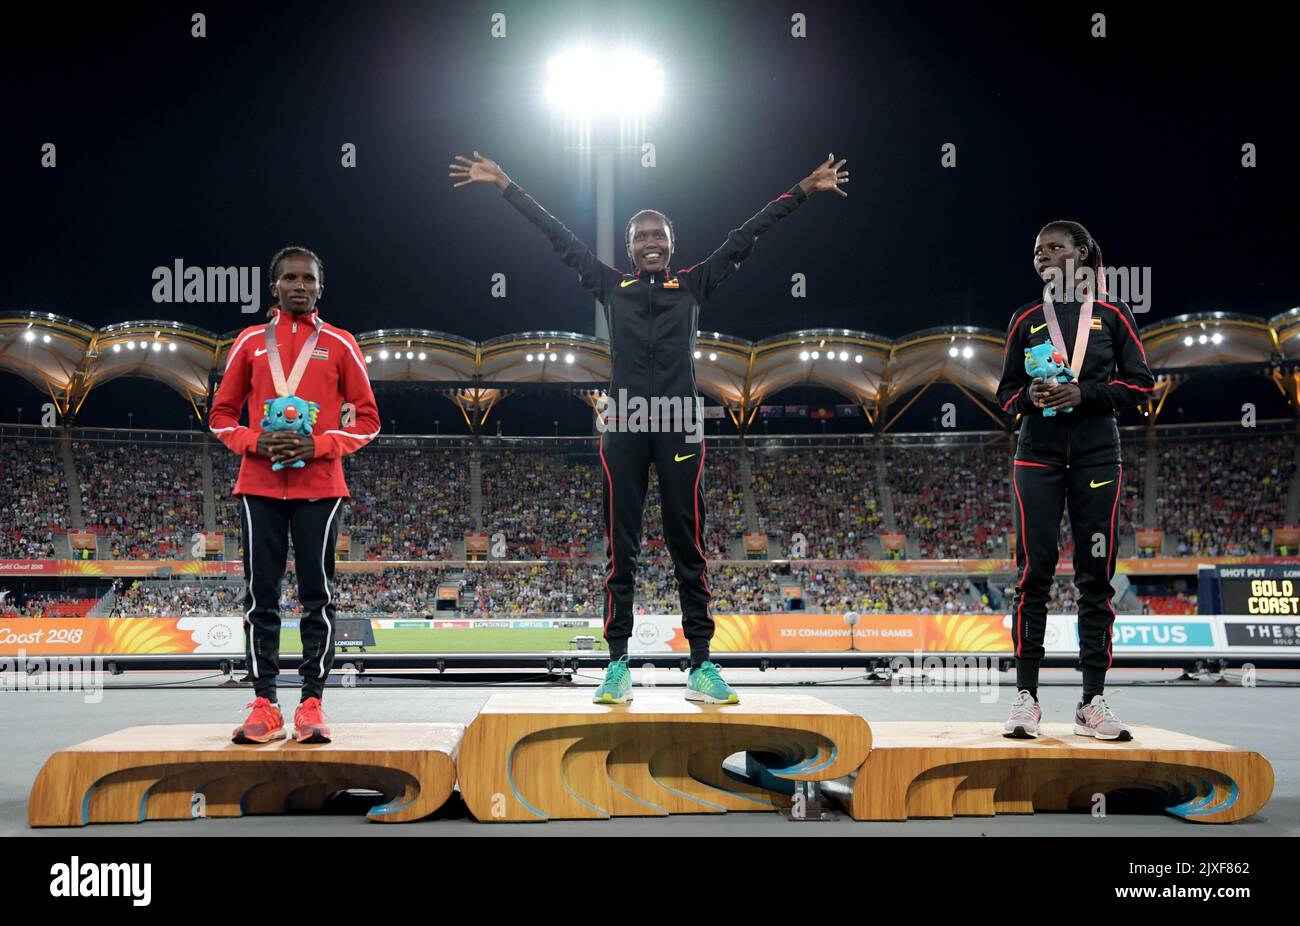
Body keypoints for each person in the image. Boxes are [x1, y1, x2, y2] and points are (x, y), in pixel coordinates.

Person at [450, 150, 848, 704]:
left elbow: (747, 234)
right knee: (623, 548)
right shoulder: (613, 286)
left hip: (681, 427)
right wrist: (505, 185)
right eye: (640, 236)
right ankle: (617, 664)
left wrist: (803, 188)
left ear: (672, 244)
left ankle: (702, 666)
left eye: (658, 234)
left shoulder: (694, 284)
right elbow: (558, 237)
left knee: (689, 546)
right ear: (629, 247)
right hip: (627, 427)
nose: (650, 242)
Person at [209, 246, 380, 743]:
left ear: (320, 289)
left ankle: (311, 703)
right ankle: (264, 702)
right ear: (274, 287)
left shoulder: (342, 344)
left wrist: (320, 444)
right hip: (258, 484)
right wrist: (255, 440)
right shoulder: (248, 343)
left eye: (308, 278)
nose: (300, 285)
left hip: (320, 487)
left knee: (316, 597)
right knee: (261, 598)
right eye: (290, 278)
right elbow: (220, 416)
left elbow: (369, 420)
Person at [996, 221, 1154, 740]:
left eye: (1055, 248)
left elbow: (1141, 385)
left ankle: (1091, 702)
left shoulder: (1112, 314)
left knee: (1095, 578)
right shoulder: (1023, 317)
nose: (1043, 256)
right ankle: (1025, 699)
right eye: (1037, 250)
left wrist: (1084, 395)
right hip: (1036, 457)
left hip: (1095, 458)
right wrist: (1031, 400)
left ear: (1081, 253)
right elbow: (1006, 395)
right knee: (1032, 576)